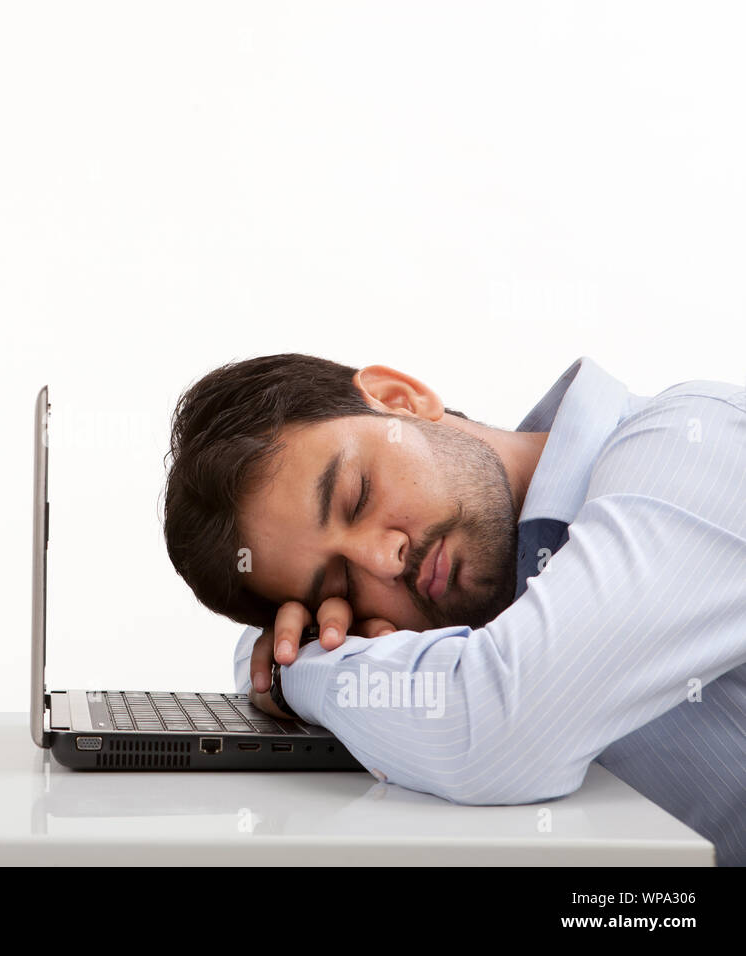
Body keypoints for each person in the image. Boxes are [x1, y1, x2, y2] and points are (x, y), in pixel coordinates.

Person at [163, 354, 746, 865]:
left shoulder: (693, 445)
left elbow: (502, 731)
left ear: (400, 399)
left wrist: (295, 671)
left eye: (357, 495)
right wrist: (291, 646)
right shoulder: (485, 616)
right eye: (340, 584)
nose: (384, 560)